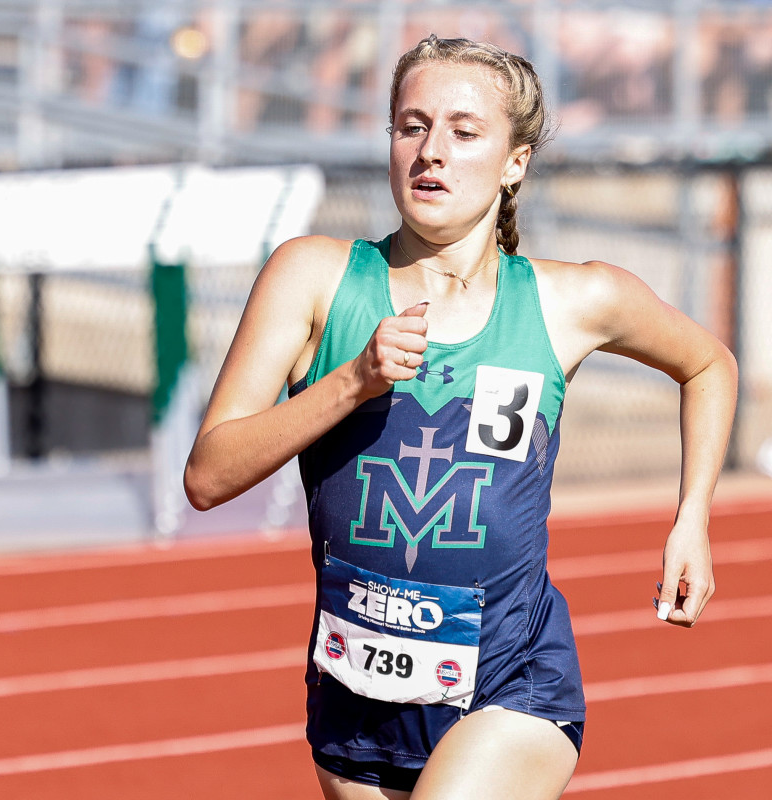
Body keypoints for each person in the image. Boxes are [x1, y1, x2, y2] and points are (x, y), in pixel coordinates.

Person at [184, 35, 738, 800]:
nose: (431, 152)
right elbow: (208, 475)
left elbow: (709, 364)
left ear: (516, 162)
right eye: (411, 126)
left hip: (512, 682)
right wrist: (352, 382)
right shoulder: (314, 278)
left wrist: (692, 519)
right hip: (356, 688)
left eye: (463, 131)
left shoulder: (572, 299)